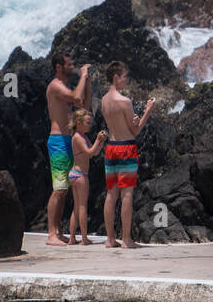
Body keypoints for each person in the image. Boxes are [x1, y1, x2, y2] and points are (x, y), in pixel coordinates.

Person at [100, 61, 155, 249]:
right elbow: (135, 130)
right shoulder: (124, 102)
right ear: (116, 77)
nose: (126, 81)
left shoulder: (104, 100)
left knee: (111, 194)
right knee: (127, 195)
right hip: (125, 148)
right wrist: (148, 111)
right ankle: (126, 240)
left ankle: (109, 239)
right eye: (124, 77)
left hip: (110, 148)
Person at [45, 50, 91, 246]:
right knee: (59, 188)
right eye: (69, 64)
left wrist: (87, 82)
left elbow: (82, 105)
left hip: (67, 140)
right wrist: (82, 76)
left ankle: (58, 231)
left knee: (64, 188)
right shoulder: (55, 86)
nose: (72, 66)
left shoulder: (65, 87)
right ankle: (51, 234)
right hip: (57, 141)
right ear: (58, 67)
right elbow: (74, 97)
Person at [67, 109, 107, 245]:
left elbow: (95, 152)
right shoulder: (78, 137)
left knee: (77, 207)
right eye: (87, 123)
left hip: (74, 174)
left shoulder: (82, 136)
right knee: (82, 206)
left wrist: (100, 142)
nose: (90, 125)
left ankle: (72, 238)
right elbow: (90, 153)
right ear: (79, 123)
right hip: (80, 175)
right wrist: (97, 139)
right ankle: (84, 238)